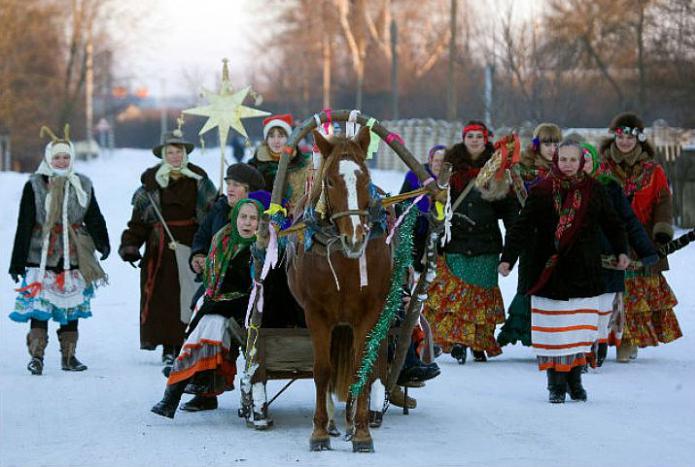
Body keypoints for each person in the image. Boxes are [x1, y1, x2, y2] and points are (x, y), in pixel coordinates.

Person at [499, 139, 629, 403]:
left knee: (579, 331)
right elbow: (522, 227)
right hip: (549, 272)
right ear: (556, 161)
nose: (568, 165)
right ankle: (555, 383)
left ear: (581, 161)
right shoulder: (543, 190)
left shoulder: (595, 190)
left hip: (584, 271)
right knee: (555, 330)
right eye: (563, 159)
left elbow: (613, 223)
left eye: (573, 159)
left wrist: (621, 251)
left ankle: (575, 379)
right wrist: (507, 259)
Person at [9, 125, 109, 375]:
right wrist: (17, 262)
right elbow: (24, 223)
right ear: (48, 158)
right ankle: (37, 356)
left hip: (73, 253)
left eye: (66, 156)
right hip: (40, 253)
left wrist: (102, 242)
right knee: (40, 307)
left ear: (72, 158)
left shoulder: (82, 184)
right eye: (57, 157)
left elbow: (94, 216)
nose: (62, 161)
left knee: (70, 307)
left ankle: (69, 356)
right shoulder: (35, 185)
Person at [151, 198, 262, 419]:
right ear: (235, 218)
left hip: (247, 305)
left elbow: (255, 287)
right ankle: (192, 384)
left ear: (260, 222)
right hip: (217, 300)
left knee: (210, 323)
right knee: (208, 320)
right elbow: (211, 280)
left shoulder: (261, 247)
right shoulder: (223, 238)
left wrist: (218, 300)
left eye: (253, 218)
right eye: (243, 217)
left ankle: (176, 391)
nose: (247, 223)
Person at [118, 129, 217, 368]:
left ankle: (187, 342)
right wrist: (131, 244)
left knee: (190, 296)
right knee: (163, 299)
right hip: (159, 250)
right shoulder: (150, 184)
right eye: (170, 152)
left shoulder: (200, 181)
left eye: (178, 151)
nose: (174, 156)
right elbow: (139, 220)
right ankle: (167, 347)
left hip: (193, 247)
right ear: (163, 154)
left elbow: (214, 214)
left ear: (185, 154)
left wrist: (215, 241)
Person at [422, 121, 518, 364]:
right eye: (470, 136)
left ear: (486, 139)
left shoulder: (499, 169)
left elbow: (510, 214)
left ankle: (477, 343)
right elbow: (439, 206)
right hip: (456, 241)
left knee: (481, 296)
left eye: (479, 136)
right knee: (457, 296)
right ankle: (457, 342)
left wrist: (509, 255)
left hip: (486, 244)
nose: (474, 140)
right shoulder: (451, 168)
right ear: (463, 139)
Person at [595, 112, 681, 361]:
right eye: (620, 137)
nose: (624, 142)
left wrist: (662, 231)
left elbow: (663, 200)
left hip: (642, 238)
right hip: (610, 240)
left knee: (636, 294)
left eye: (630, 138)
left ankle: (630, 340)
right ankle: (611, 339)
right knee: (613, 293)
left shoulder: (653, 170)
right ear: (614, 137)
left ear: (638, 140)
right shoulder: (602, 167)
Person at [582, 143, 658, 366]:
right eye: (577, 160)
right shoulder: (563, 188)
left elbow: (629, 221)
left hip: (609, 257)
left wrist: (646, 250)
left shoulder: (610, 188)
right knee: (584, 304)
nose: (581, 165)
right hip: (578, 259)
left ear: (594, 161)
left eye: (586, 160)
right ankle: (586, 346)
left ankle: (602, 341)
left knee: (604, 305)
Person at [497, 123, 561, 348]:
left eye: (555, 143)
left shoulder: (565, 168)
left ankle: (552, 335)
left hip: (558, 239)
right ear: (537, 145)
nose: (552, 148)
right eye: (546, 143)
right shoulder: (522, 171)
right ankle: (525, 330)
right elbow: (512, 208)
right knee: (528, 284)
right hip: (531, 238)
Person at [189, 163, 265, 275]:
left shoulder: (258, 216)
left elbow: (249, 254)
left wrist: (214, 263)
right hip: (214, 279)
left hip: (245, 282)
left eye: (236, 185)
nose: (230, 189)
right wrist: (198, 255)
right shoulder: (219, 208)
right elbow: (202, 235)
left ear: (249, 190)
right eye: (228, 184)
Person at [248, 114, 310, 212]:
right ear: (266, 140)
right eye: (271, 136)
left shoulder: (304, 164)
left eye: (281, 136)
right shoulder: (254, 166)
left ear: (288, 138)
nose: (276, 141)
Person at [399, 144, 446, 271]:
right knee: (415, 265)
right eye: (436, 161)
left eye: (443, 162)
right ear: (430, 160)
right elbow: (402, 200)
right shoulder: (415, 175)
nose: (439, 164)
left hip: (441, 231)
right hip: (416, 227)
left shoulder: (449, 179)